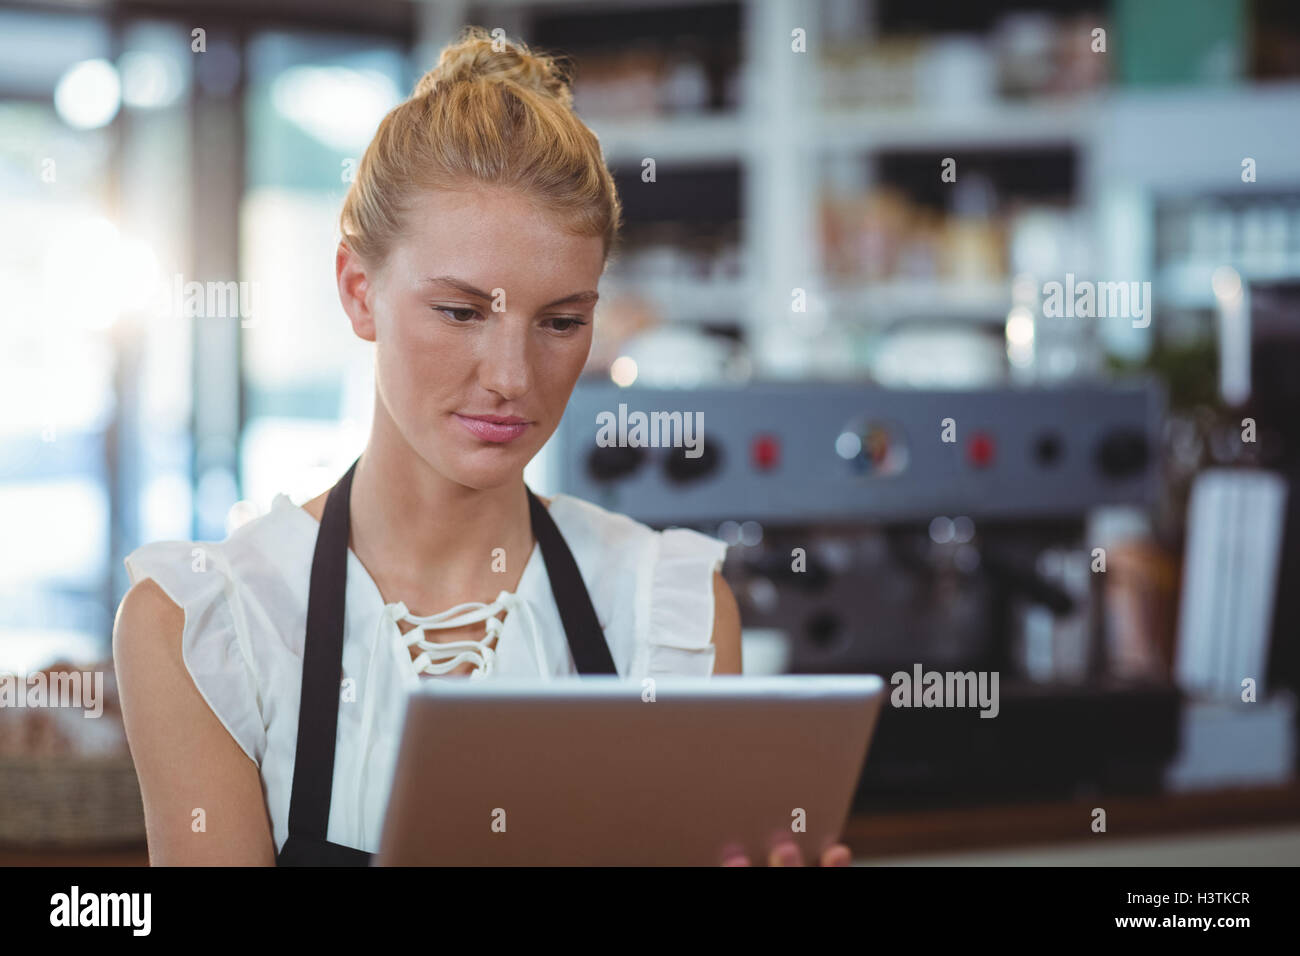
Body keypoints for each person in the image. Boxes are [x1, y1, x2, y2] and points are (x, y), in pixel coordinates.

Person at [113, 25, 850, 867]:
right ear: (359, 291)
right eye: (461, 312)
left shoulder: (668, 612)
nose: (511, 377)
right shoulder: (206, 628)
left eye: (562, 322)